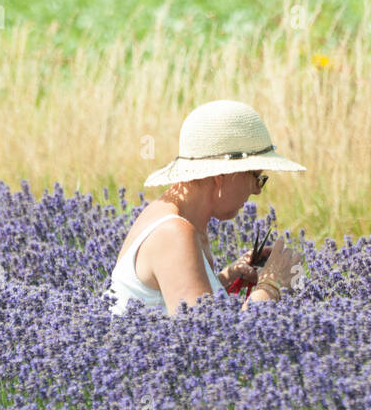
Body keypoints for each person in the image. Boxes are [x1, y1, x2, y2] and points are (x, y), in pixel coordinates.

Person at [107, 99, 305, 318]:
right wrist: (270, 287)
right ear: (222, 176)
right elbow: (210, 339)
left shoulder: (167, 216)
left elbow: (176, 307)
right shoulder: (173, 234)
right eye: (256, 177)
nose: (258, 191)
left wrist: (225, 279)